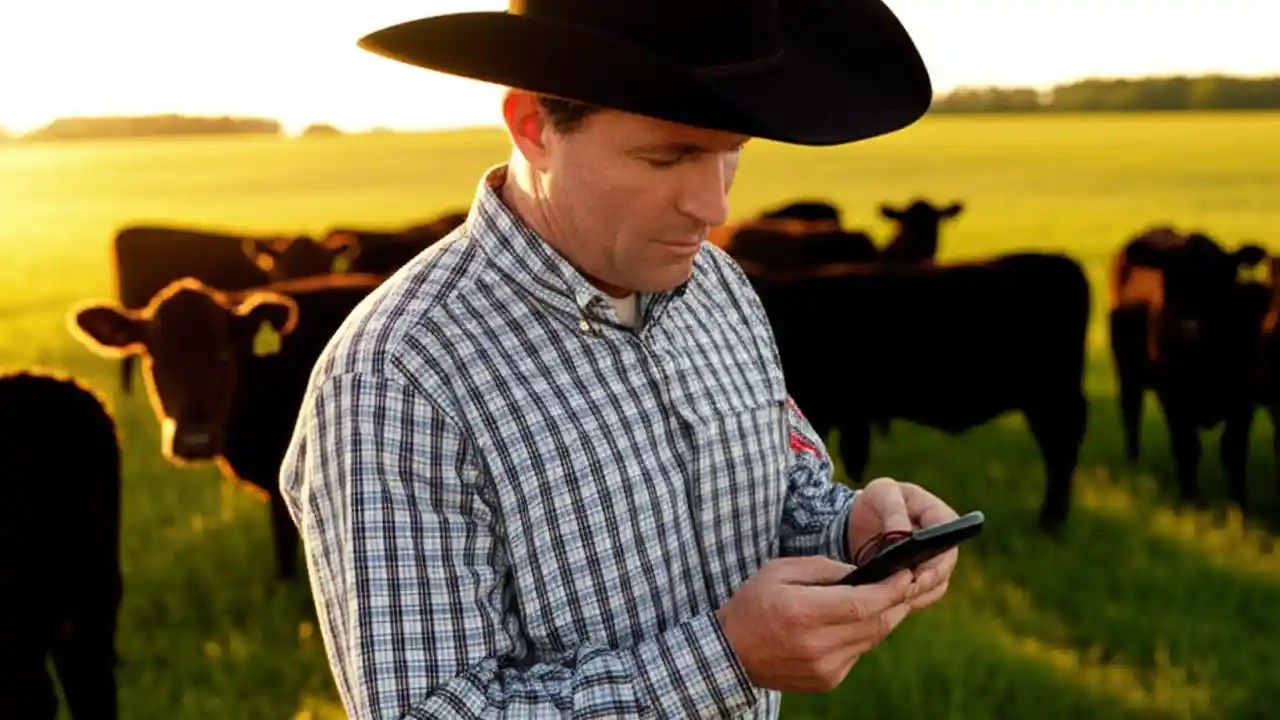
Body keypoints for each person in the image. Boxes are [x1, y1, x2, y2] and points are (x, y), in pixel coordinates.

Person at [279, 1, 962, 717]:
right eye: (667, 157)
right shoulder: (399, 379)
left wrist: (851, 527)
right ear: (532, 126)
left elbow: (775, 486)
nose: (714, 204)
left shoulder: (719, 287)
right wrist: (726, 659)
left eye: (734, 150)